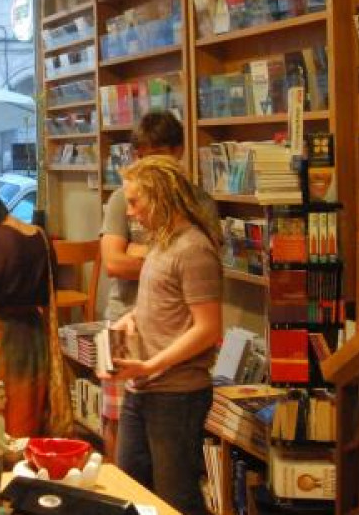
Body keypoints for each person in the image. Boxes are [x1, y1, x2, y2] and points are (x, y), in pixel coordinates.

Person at [101, 155, 223, 515]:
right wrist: (130, 319)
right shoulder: (163, 242)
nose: (130, 213)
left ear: (160, 196)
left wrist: (151, 365)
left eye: (135, 202)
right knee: (132, 489)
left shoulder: (194, 248)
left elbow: (208, 328)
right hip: (145, 386)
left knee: (175, 498)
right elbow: (162, 301)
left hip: (176, 393)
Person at [0, 183, 68, 437]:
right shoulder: (39, 235)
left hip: (4, 337)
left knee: (6, 416)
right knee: (32, 411)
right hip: (35, 333)